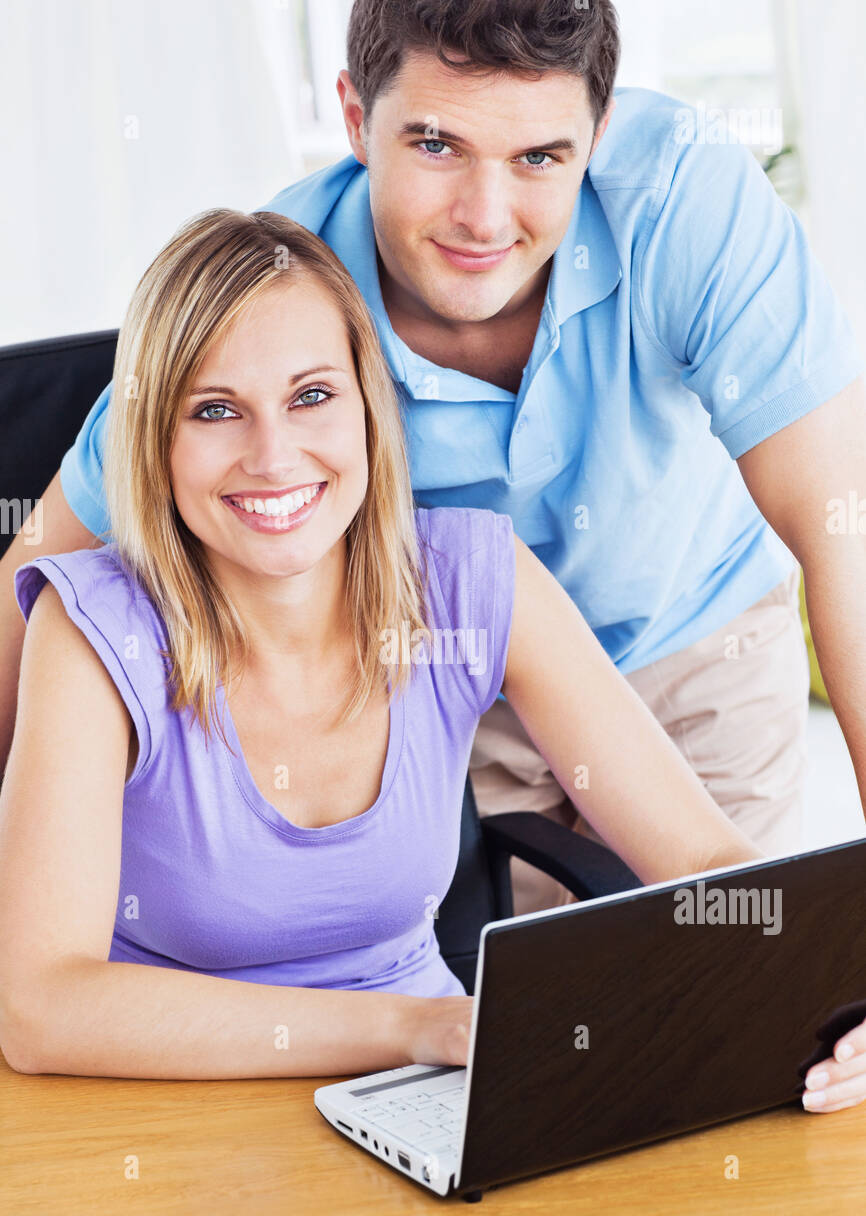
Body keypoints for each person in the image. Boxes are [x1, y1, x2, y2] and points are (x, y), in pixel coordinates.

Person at [2, 3, 865, 920]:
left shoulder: (683, 199)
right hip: (463, 680)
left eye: (539, 157)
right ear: (354, 119)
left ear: (599, 135)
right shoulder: (275, 300)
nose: (484, 220)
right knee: (539, 1020)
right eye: (436, 144)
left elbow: (843, 532)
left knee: (728, 989)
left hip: (700, 639)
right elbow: (43, 561)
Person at [0, 207, 775, 1081]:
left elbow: (708, 858)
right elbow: (42, 1008)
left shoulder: (471, 579)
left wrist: (821, 982)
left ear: (369, 408)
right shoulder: (93, 631)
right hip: (168, 1095)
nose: (274, 454)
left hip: (437, 1089)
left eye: (312, 396)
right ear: (153, 442)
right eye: (215, 410)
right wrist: (408, 1029)